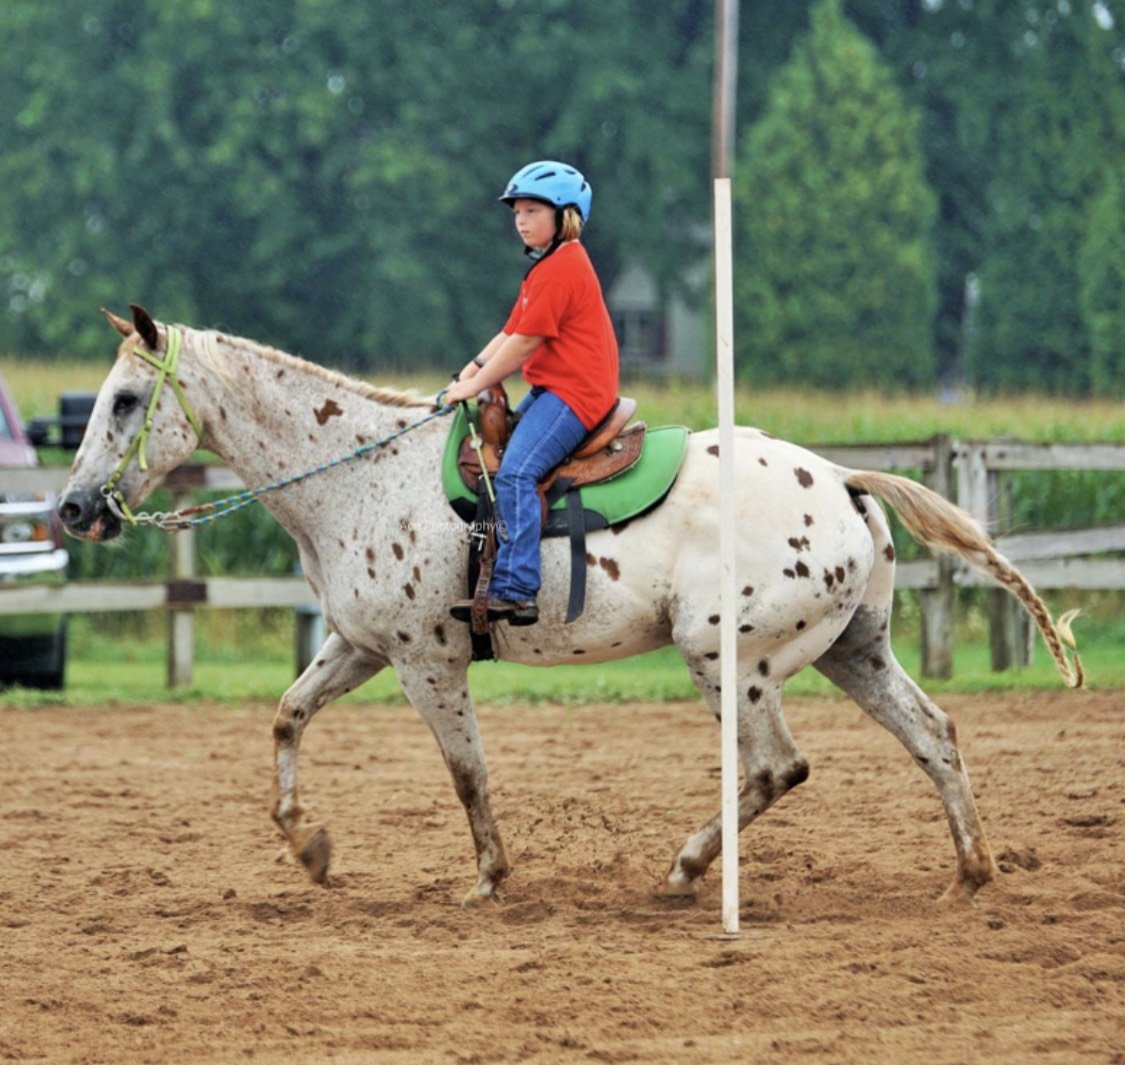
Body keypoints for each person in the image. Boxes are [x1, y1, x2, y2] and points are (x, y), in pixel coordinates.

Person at [444, 160, 619, 627]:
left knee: (517, 473)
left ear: (565, 215)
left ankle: (518, 589)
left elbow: (525, 344)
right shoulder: (546, 267)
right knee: (497, 458)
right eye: (517, 212)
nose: (520, 220)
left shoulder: (564, 268)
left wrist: (474, 386)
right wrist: (469, 371)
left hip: (575, 395)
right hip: (553, 390)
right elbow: (510, 331)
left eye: (532, 211)